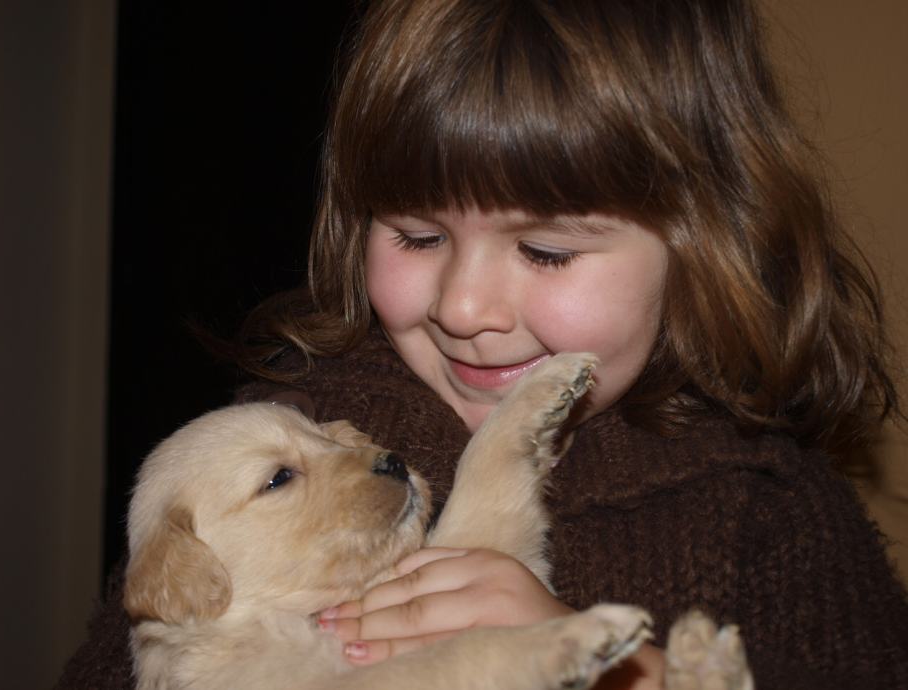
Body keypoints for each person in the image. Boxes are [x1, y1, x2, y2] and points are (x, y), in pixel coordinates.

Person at [57, 1, 908, 688]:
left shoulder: (769, 501)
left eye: (547, 250)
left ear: (709, 243)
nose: (463, 307)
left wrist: (632, 676)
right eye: (418, 236)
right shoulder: (295, 419)